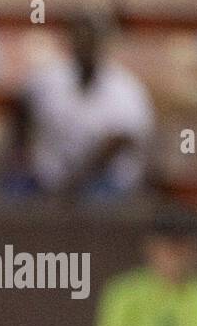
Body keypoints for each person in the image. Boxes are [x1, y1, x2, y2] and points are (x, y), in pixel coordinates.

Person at [15, 12, 154, 199]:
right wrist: (23, 158)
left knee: (95, 200)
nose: (86, 42)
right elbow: (21, 112)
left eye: (93, 36)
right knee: (13, 193)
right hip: (47, 176)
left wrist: (72, 185)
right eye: (80, 35)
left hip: (103, 180)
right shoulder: (45, 78)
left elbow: (117, 143)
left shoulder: (127, 89)